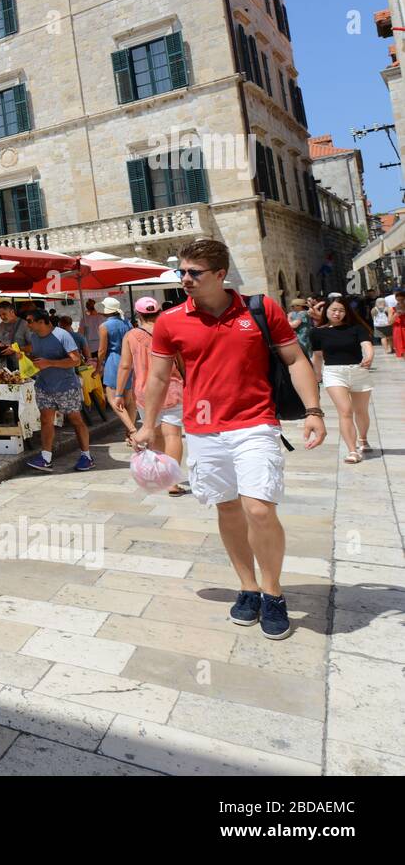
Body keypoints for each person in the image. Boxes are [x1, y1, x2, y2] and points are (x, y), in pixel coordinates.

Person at [134, 238, 325, 642]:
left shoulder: (260, 309)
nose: (184, 279)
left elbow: (294, 359)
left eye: (194, 273)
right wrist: (147, 425)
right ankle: (248, 588)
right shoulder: (170, 321)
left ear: (220, 275)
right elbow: (155, 377)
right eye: (181, 272)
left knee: (258, 509)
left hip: (254, 422)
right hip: (202, 429)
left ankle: (273, 593)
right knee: (228, 509)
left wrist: (313, 410)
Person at [112, 297, 188, 495]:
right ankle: (172, 482)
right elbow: (181, 361)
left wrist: (119, 392)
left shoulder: (131, 335)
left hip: (145, 391)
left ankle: (161, 476)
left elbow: (126, 366)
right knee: (173, 434)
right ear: (158, 311)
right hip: (172, 387)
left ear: (138, 314)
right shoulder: (169, 330)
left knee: (153, 432)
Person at [22, 309, 93, 472]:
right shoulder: (34, 337)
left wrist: (50, 363)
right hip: (44, 385)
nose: (28, 324)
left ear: (42, 321)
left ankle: (86, 456)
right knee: (46, 420)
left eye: (30, 320)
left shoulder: (62, 335)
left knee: (75, 420)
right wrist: (24, 358)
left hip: (65, 386)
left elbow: (76, 361)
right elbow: (38, 357)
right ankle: (46, 458)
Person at [312, 297, 374, 463]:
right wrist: (317, 376)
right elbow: (317, 356)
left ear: (346, 312)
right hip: (334, 373)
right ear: (326, 311)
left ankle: (363, 438)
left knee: (361, 411)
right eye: (333, 310)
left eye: (341, 310)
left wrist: (369, 356)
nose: (337, 313)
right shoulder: (317, 332)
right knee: (345, 411)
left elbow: (367, 345)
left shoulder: (357, 328)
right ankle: (352, 450)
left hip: (358, 371)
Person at [97, 297, 131, 397]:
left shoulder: (104, 326)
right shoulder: (127, 323)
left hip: (113, 361)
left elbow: (102, 350)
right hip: (129, 359)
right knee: (129, 398)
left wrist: (98, 367)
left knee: (113, 397)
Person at [0, 302, 32, 370]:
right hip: (5, 367)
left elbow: (33, 346)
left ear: (12, 311)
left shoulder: (25, 325)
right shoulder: (1, 326)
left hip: (23, 367)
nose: (2, 317)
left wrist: (16, 349)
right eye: (0, 315)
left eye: (4, 314)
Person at [393, 291, 405, 359]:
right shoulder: (393, 308)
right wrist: (396, 315)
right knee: (402, 351)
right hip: (398, 331)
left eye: (402, 300)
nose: (400, 301)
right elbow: (389, 322)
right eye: (398, 300)